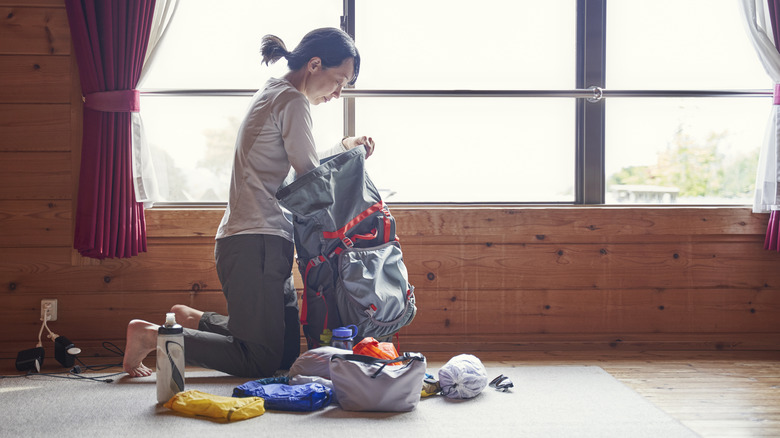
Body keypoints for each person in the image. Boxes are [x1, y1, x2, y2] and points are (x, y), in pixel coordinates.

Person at [123, 27, 375, 378]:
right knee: (260, 360)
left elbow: (296, 169)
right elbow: (310, 180)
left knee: (285, 355)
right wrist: (353, 172)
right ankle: (153, 336)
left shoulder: (275, 92)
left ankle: (193, 320)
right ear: (315, 64)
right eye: (340, 81)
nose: (337, 93)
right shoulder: (292, 101)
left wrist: (344, 149)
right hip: (256, 240)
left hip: (259, 238)